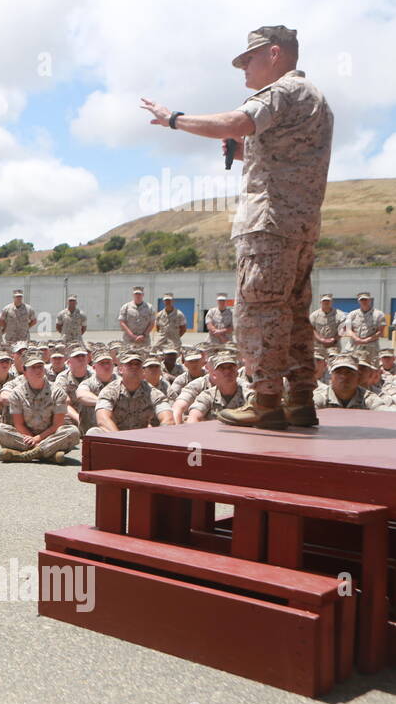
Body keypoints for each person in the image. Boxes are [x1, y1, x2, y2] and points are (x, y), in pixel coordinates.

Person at [142, 25, 333, 429]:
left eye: (250, 58)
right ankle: (300, 399)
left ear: (276, 54)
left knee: (260, 312)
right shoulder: (316, 100)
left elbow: (234, 121)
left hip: (268, 224)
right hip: (300, 226)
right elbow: (289, 160)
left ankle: (264, 401)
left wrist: (174, 119)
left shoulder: (280, 92)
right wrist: (250, 153)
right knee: (295, 313)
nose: (244, 67)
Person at [0, 351, 80, 464]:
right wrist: (32, 439)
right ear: (24, 371)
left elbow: (57, 424)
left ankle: (23, 455)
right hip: (26, 436)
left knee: (73, 432)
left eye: (40, 366)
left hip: (50, 435)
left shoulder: (57, 392)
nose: (38, 370)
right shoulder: (16, 393)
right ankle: (47, 453)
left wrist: (38, 438)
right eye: (33, 367)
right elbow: (19, 424)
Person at [344, 292, 386, 366]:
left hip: (371, 348)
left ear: (370, 300)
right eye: (362, 300)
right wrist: (356, 338)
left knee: (371, 370)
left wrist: (366, 340)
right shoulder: (352, 314)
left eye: (366, 300)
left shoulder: (379, 314)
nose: (364, 302)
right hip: (354, 347)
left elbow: (380, 332)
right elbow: (348, 329)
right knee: (352, 368)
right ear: (358, 301)